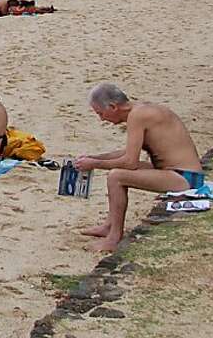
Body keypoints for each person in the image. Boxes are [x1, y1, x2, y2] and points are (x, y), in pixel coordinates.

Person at [74, 83, 204, 252]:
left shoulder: (138, 116)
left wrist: (95, 164)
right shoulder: (141, 111)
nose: (102, 119)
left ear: (113, 107)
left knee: (116, 176)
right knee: (119, 172)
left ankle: (114, 237)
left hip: (185, 178)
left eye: (101, 113)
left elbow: (130, 162)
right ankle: (109, 225)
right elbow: (127, 152)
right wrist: (93, 158)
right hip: (175, 172)